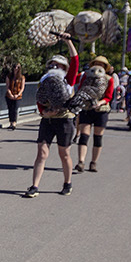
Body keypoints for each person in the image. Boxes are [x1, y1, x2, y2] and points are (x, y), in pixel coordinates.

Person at [24, 36, 80, 198]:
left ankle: (67, 182)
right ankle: (34, 186)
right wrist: (44, 112)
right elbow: (40, 99)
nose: (54, 66)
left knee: (64, 153)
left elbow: (75, 60)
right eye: (52, 64)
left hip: (64, 119)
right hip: (48, 119)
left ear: (64, 67)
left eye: (58, 64)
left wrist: (69, 42)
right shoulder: (45, 80)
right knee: (41, 153)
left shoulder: (67, 80)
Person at [72, 55, 115, 173]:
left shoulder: (108, 79)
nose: (98, 66)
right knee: (84, 135)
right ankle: (81, 161)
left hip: (101, 110)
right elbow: (80, 88)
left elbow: (109, 96)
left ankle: (93, 162)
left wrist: (100, 102)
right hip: (87, 108)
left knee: (97, 137)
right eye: (96, 63)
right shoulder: (86, 76)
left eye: (101, 65)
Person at [3, 59, 26, 129]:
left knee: (15, 109)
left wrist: (17, 95)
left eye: (17, 67)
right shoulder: (9, 76)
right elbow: (7, 87)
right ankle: (10, 122)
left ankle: (14, 123)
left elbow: (22, 88)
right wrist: (10, 94)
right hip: (9, 95)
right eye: (15, 67)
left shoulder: (22, 77)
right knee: (10, 109)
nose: (16, 69)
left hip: (18, 96)